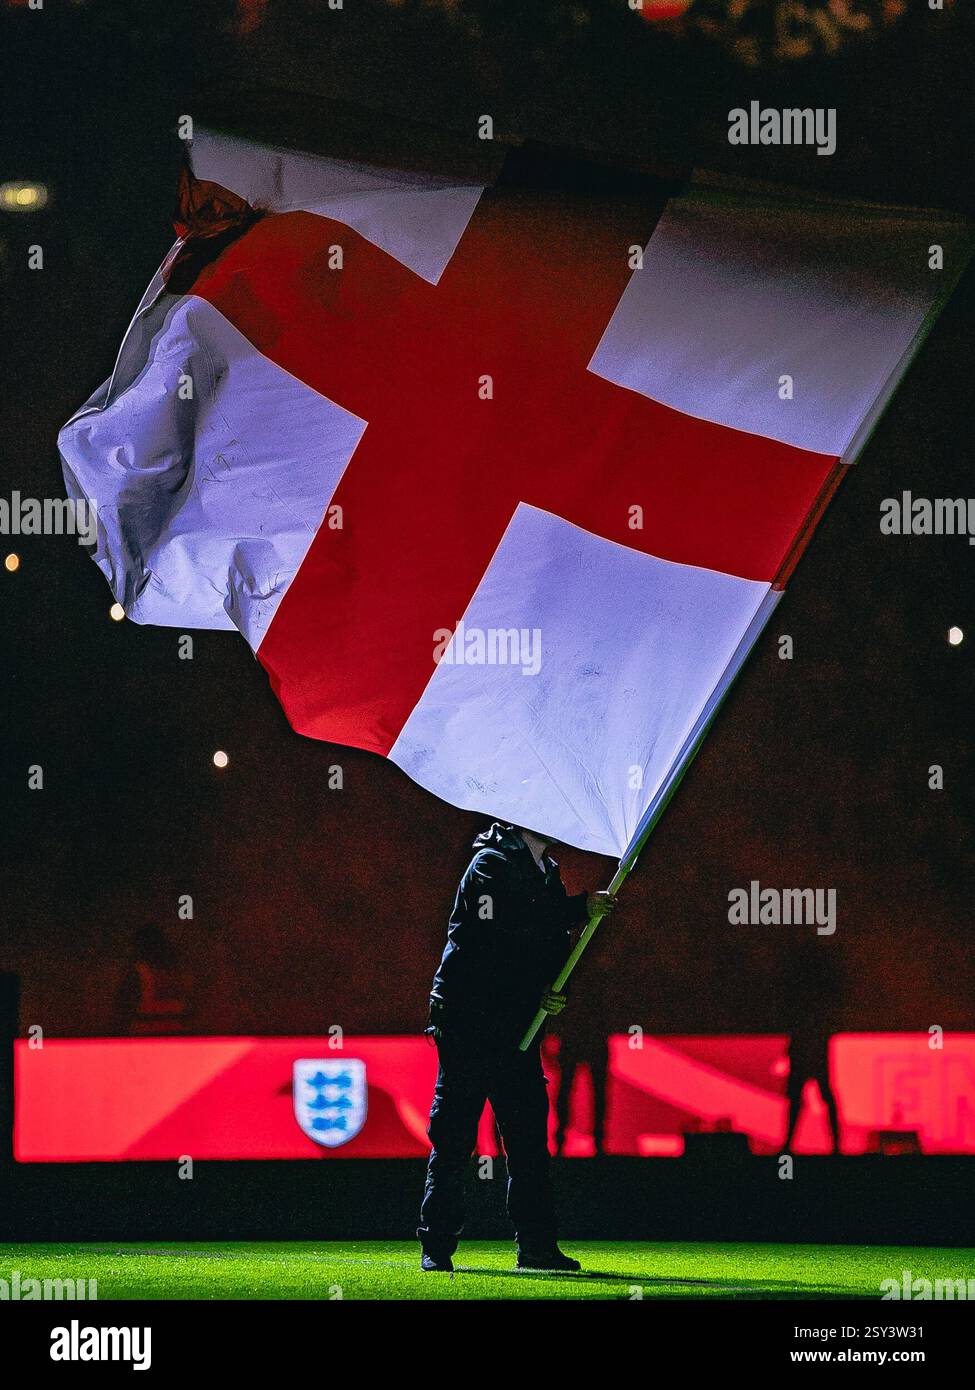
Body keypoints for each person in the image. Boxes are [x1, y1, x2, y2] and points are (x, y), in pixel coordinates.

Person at [417, 821, 617, 1273]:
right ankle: (437, 1246)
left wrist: (548, 988)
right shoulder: (490, 865)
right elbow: (506, 926)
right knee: (453, 1140)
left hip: (513, 1026)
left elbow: (540, 945)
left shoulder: (547, 871)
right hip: (469, 1021)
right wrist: (578, 907)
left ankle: (537, 1247)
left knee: (528, 1142)